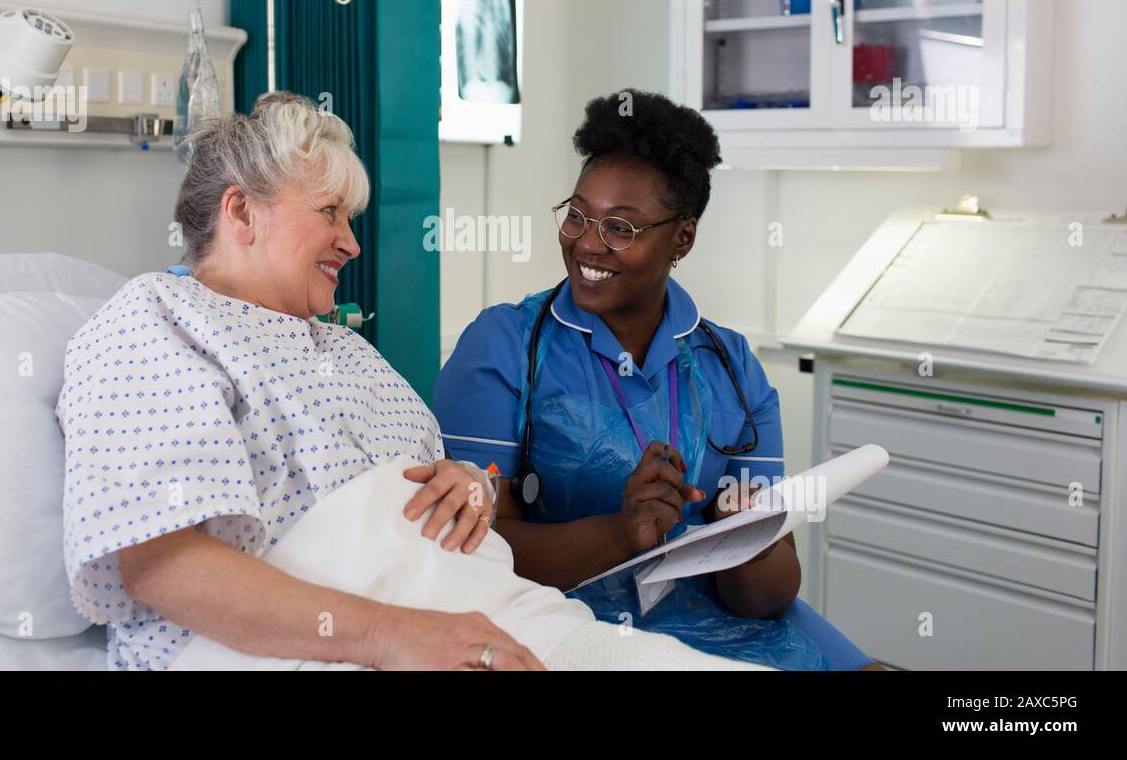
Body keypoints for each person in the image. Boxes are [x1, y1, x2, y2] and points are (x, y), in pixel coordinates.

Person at [55, 91, 766, 671]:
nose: (352, 242)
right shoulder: (158, 324)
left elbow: (441, 500)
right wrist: (395, 634)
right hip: (303, 642)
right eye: (330, 213)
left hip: (481, 613)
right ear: (242, 212)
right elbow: (164, 570)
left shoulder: (347, 351)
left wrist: (468, 491)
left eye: (351, 218)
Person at [432, 89, 880, 670]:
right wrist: (621, 535)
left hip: (719, 622)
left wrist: (745, 538)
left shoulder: (731, 365)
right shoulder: (506, 346)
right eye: (577, 215)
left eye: (621, 227)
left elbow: (767, 597)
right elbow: (466, 550)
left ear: (682, 238)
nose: (588, 242)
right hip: (565, 620)